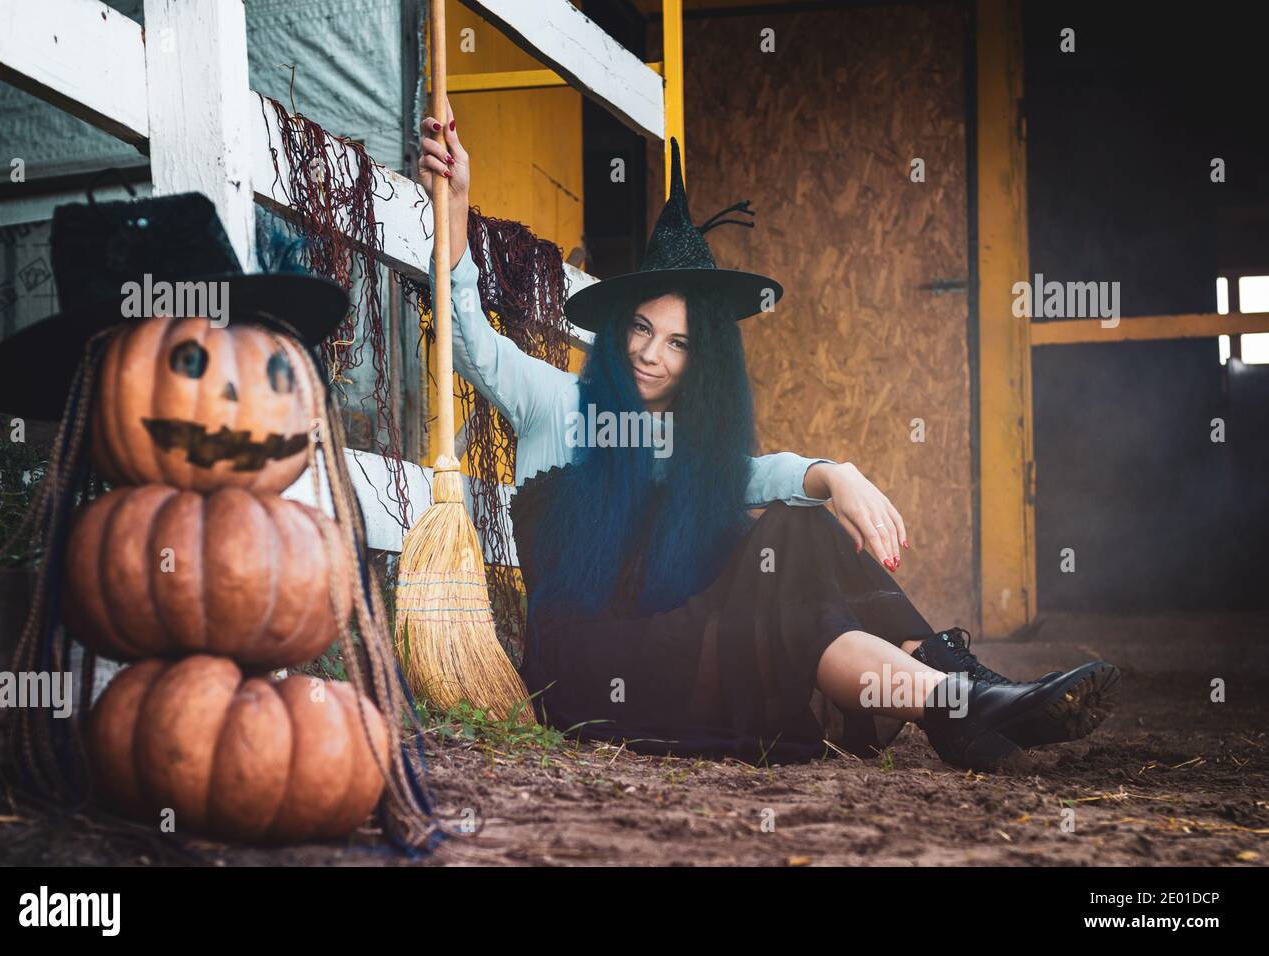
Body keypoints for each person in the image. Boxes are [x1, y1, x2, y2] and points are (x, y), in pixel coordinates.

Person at [416, 101, 1119, 771]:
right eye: (641, 328)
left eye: (678, 342)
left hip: (677, 650)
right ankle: (970, 694)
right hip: (587, 673)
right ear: (620, 326)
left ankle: (959, 705)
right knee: (793, 543)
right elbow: (469, 341)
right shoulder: (554, 400)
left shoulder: (689, 447)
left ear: (702, 363)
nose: (651, 354)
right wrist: (453, 208)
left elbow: (764, 475)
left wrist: (835, 474)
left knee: (801, 534)